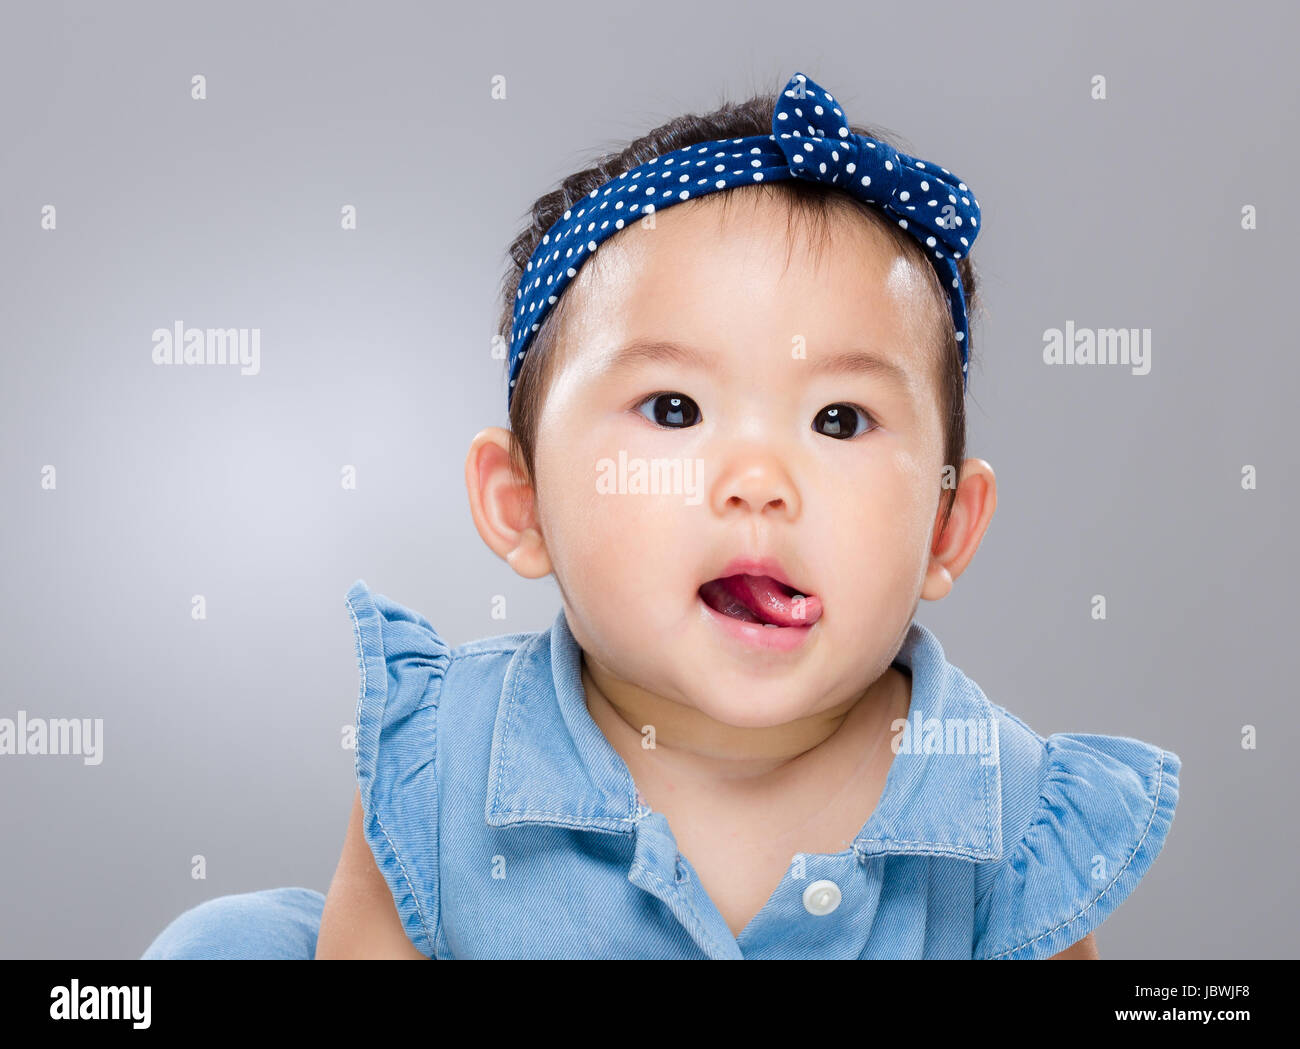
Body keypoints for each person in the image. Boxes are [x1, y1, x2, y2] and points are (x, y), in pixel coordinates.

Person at [141, 70, 1179, 960]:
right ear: (522, 505)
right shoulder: (442, 758)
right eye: (674, 408)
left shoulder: (1003, 805)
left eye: (839, 417)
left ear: (949, 526)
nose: (758, 478)